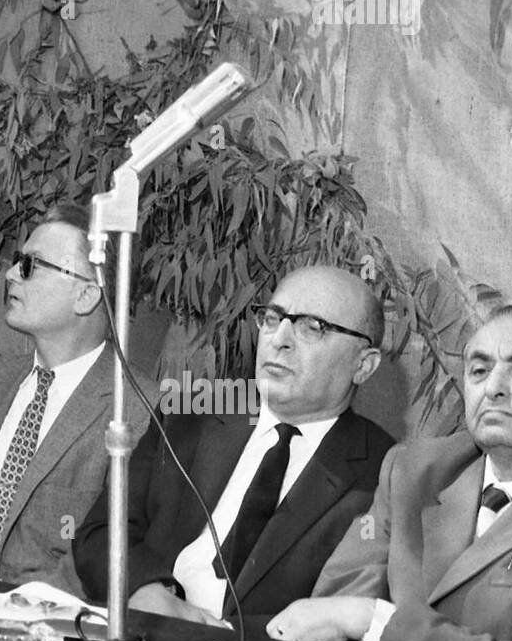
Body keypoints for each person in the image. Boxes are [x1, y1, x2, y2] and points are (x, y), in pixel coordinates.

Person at [268, 302, 512, 641]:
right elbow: (333, 607)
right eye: (479, 370)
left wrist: (373, 621)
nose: (493, 387)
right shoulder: (412, 469)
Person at [74, 265, 395, 622]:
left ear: (364, 365)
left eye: (311, 327)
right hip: (146, 631)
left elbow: (356, 613)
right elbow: (101, 532)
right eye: (272, 319)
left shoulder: (385, 474)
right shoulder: (191, 412)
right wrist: (145, 592)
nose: (279, 339)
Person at [0, 204, 147, 591]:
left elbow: (103, 557)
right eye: (18, 261)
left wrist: (13, 615)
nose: (10, 274)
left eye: (30, 266)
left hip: (36, 624)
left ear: (86, 296)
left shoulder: (135, 410)